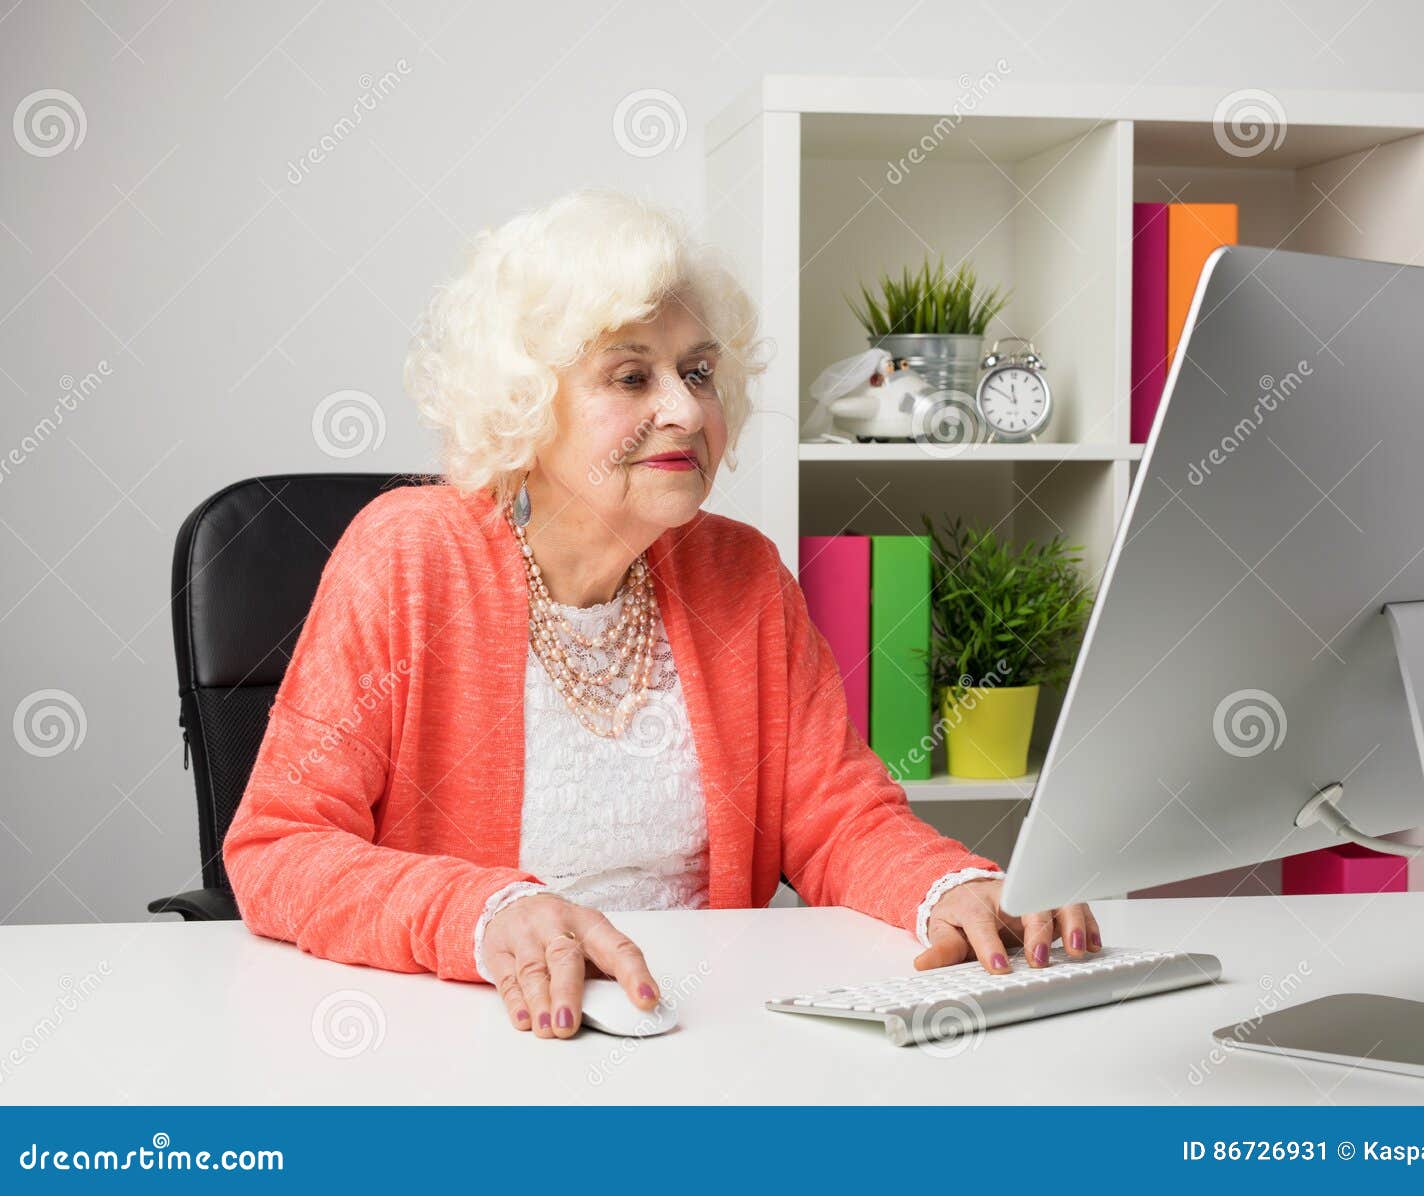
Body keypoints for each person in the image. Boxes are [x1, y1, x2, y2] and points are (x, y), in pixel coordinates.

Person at [222, 187, 1100, 1040]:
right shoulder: (408, 557)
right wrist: (485, 914)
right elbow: (280, 849)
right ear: (528, 403)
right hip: (469, 1033)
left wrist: (944, 885)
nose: (684, 409)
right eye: (631, 376)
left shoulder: (741, 572)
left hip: (706, 1027)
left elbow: (834, 815)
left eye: (699, 373)